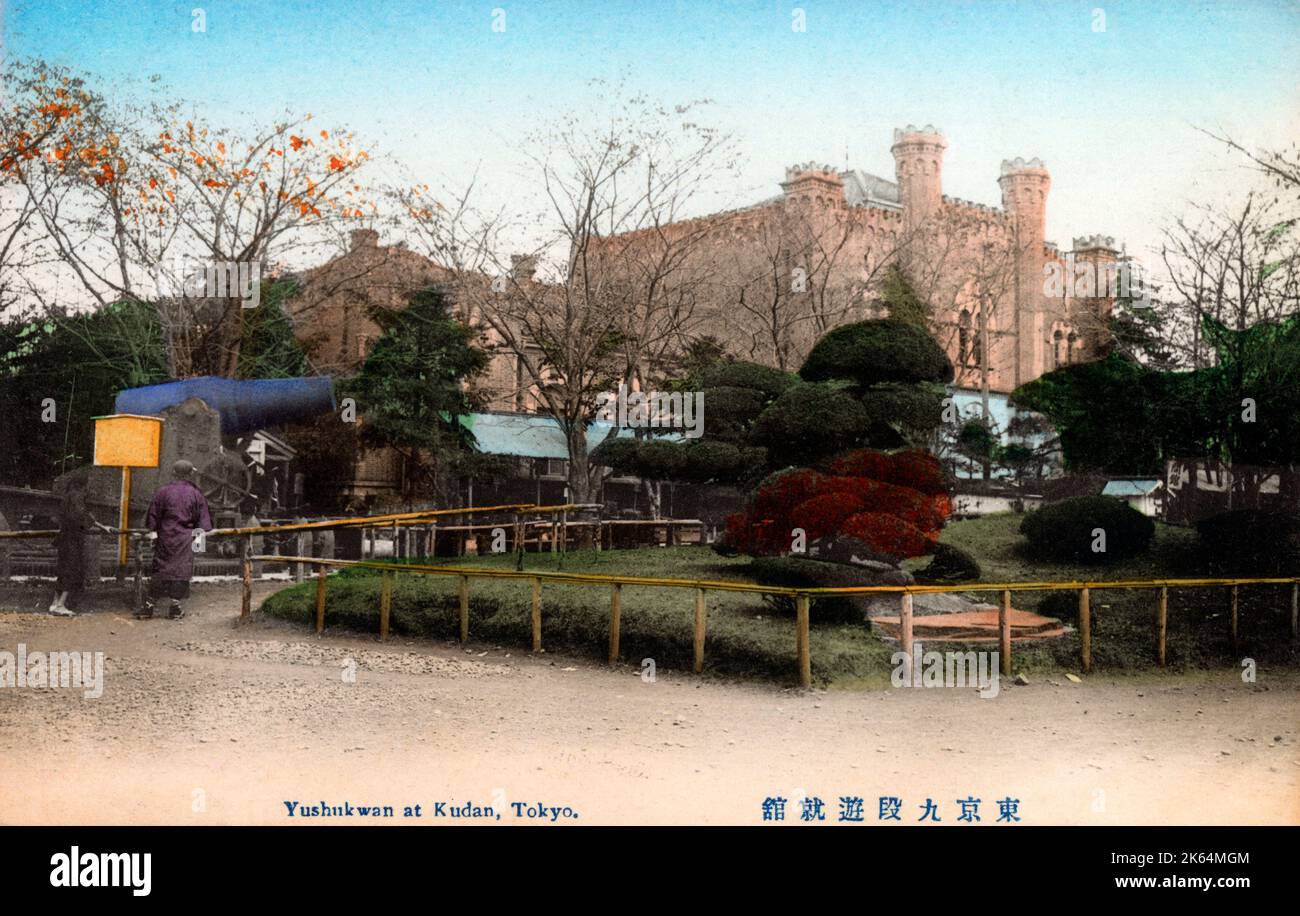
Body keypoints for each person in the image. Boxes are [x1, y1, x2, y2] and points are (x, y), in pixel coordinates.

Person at [139, 459, 213, 620]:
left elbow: (153, 516)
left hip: (165, 536)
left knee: (160, 570)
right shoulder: (196, 494)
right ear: (190, 474)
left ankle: (148, 607)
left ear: (174, 473)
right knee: (181, 572)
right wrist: (198, 546)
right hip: (185, 538)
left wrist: (153, 533)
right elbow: (203, 522)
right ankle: (175, 608)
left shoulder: (163, 492)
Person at [50, 475, 111, 616]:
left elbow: (75, 515)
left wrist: (101, 525)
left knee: (62, 569)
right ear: (83, 485)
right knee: (71, 570)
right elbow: (81, 515)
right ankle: (61, 604)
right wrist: (98, 526)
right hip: (73, 538)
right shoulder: (78, 497)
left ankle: (54, 603)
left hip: (63, 537)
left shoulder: (67, 496)